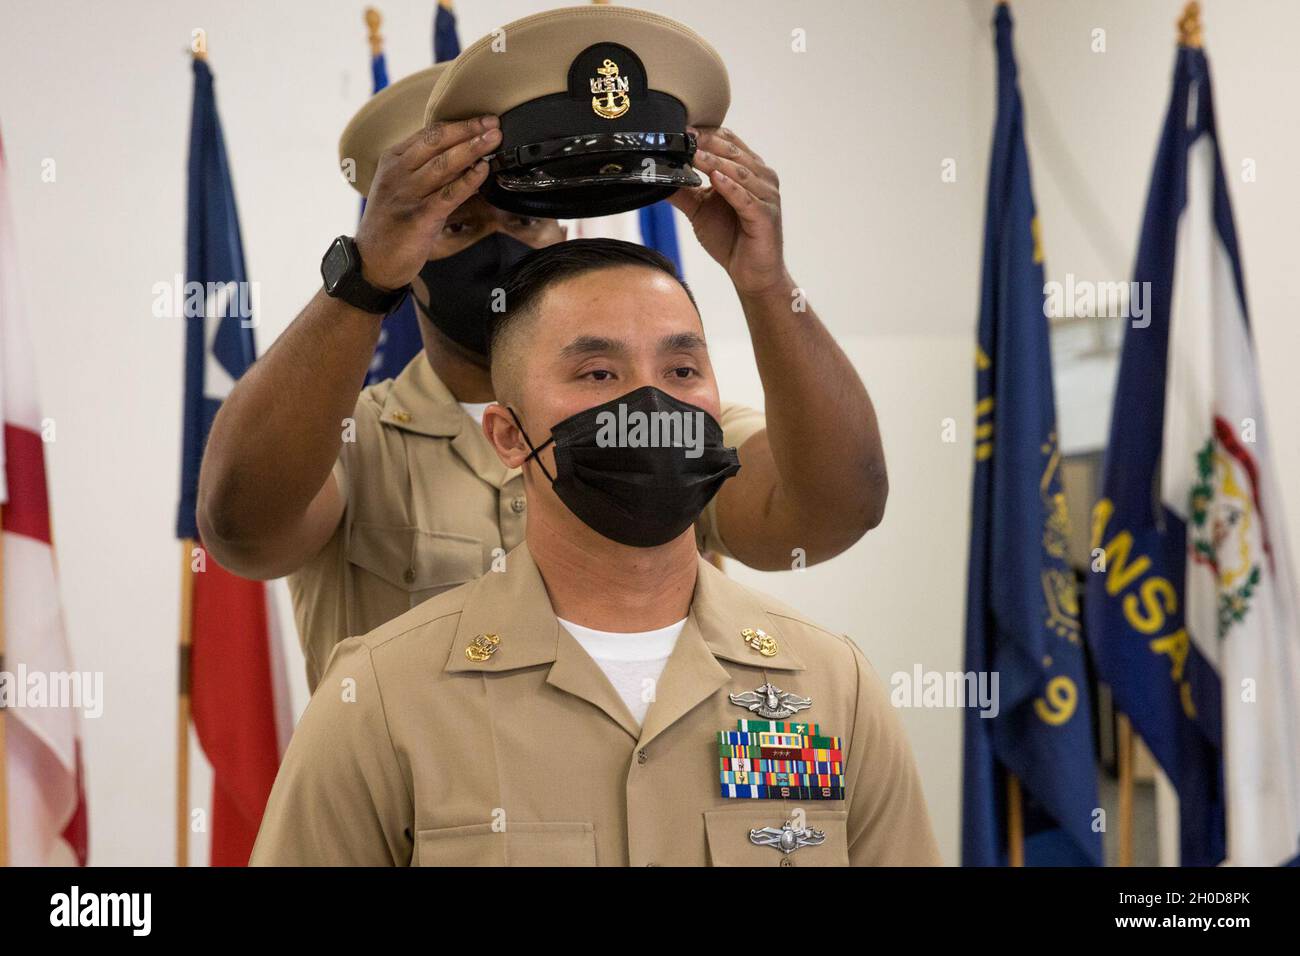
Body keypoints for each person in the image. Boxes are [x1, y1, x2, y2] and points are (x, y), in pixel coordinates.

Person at [250, 239, 939, 867]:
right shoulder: (380, 700)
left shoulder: (828, 686)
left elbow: (846, 498)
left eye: (681, 367)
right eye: (598, 374)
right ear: (509, 436)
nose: (649, 402)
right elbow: (241, 520)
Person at [197, 108, 889, 691]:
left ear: (563, 233)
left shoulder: (658, 422)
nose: (501, 249)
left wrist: (765, 284)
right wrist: (362, 279)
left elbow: (837, 506)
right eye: (459, 227)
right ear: (406, 253)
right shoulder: (354, 439)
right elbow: (240, 525)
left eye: (525, 222)